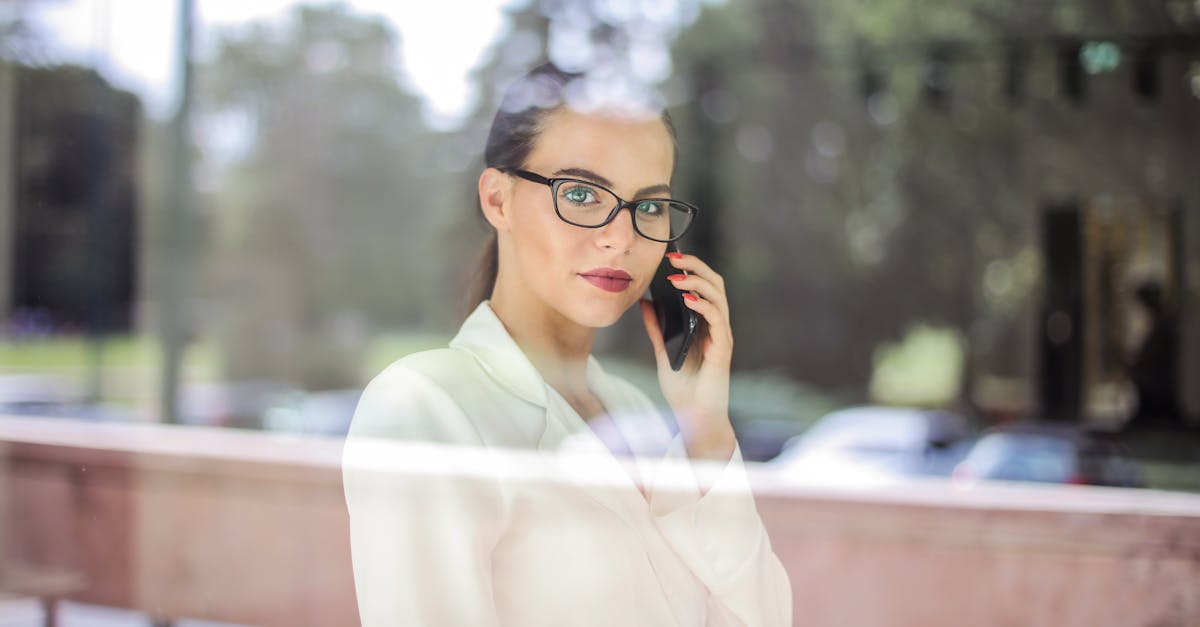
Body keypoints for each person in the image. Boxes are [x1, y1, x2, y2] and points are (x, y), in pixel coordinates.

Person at [342, 63, 792, 626]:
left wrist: (707, 434)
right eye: (581, 194)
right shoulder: (425, 408)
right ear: (498, 200)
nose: (621, 237)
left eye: (649, 206)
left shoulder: (636, 415)